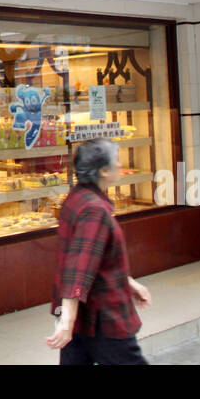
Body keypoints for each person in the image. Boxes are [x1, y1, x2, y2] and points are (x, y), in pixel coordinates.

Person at [46, 138, 151, 364]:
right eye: (118, 162)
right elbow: (79, 267)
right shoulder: (94, 209)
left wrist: (129, 282)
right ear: (104, 171)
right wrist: (67, 321)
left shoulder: (77, 198)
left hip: (85, 318)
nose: (121, 166)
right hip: (102, 316)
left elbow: (94, 258)